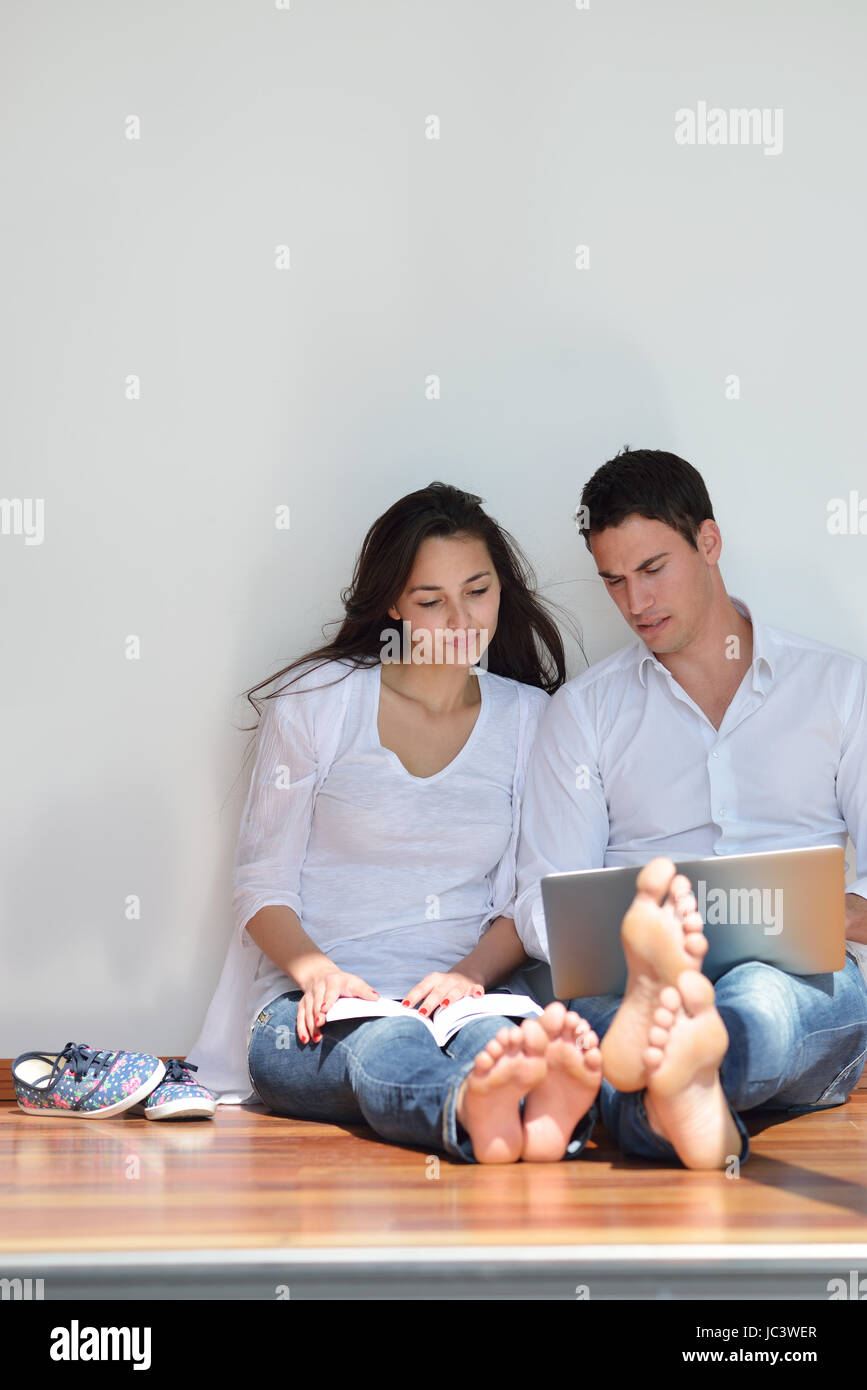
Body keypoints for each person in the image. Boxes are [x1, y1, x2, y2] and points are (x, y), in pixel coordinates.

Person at [188, 480, 609, 1164]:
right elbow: (260, 884)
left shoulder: (531, 719)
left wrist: (469, 975)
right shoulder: (318, 705)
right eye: (430, 600)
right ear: (392, 603)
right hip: (316, 1007)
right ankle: (472, 1109)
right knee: (390, 1043)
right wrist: (319, 973)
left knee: (496, 1044)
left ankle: (524, 1118)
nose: (462, 619)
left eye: (477, 590)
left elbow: (534, 890)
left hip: (469, 995)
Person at [512, 446, 867, 1171]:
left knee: (758, 1002)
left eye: (651, 569)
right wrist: (631, 943)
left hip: (798, 978)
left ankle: (691, 1069)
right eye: (613, 581)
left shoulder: (837, 688)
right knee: (614, 1033)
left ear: (708, 541)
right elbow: (538, 897)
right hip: (630, 981)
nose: (635, 603)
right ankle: (694, 1094)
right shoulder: (582, 714)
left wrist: (837, 913)